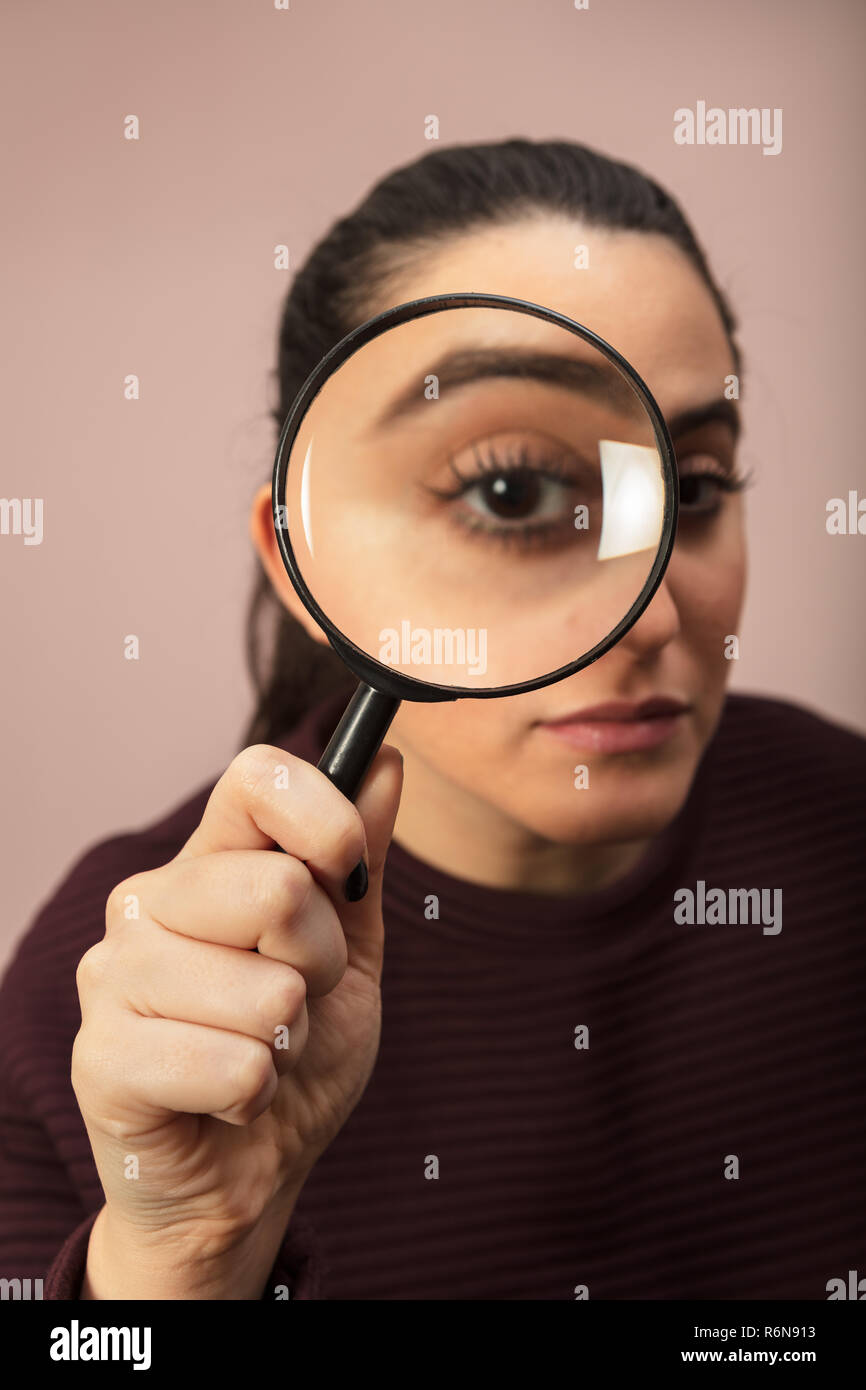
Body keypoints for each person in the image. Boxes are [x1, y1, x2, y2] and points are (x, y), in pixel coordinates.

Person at [1, 138, 863, 1301]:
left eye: (695, 489)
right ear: (299, 554)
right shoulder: (118, 980)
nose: (650, 613)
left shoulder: (841, 822)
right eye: (512, 490)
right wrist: (188, 1256)